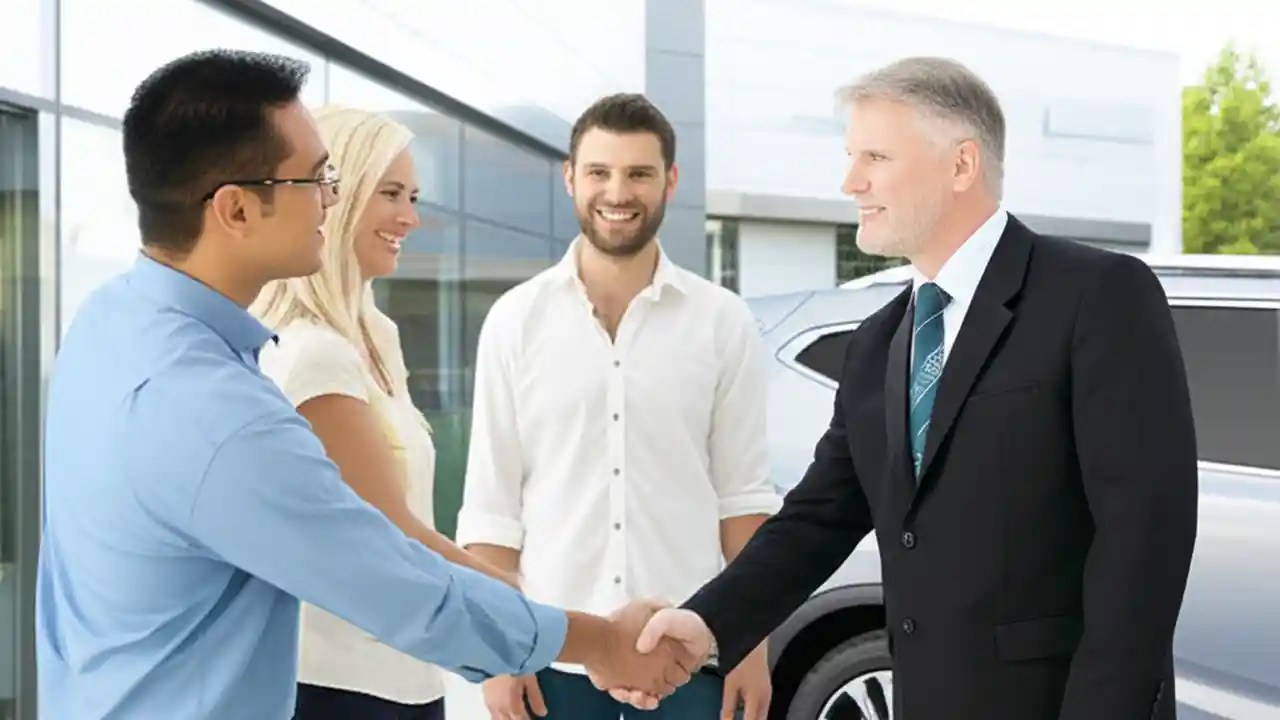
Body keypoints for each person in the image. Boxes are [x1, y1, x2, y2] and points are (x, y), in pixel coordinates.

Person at [35, 49, 695, 720]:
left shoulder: (109, 323)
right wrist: (600, 640)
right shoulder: (217, 413)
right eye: (315, 180)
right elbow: (394, 580)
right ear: (235, 210)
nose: (330, 198)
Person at [630, 56, 1199, 720]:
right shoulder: (878, 343)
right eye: (851, 156)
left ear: (962, 165)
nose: (851, 182)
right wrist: (705, 623)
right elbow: (818, 518)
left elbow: (1145, 541)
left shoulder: (1095, 296)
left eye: (875, 156)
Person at [455, 93, 780, 720]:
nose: (618, 192)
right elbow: (492, 512)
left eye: (639, 173)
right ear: (571, 177)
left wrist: (751, 645)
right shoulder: (515, 321)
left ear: (670, 182)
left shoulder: (722, 321)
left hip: (692, 661)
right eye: (600, 172)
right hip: (549, 665)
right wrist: (499, 656)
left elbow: (742, 502)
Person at [250, 105, 506, 720]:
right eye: (390, 193)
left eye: (412, 195)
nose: (410, 217)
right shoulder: (310, 355)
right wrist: (556, 625)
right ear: (333, 197)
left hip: (406, 678)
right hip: (336, 690)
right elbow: (395, 537)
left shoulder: (377, 338)